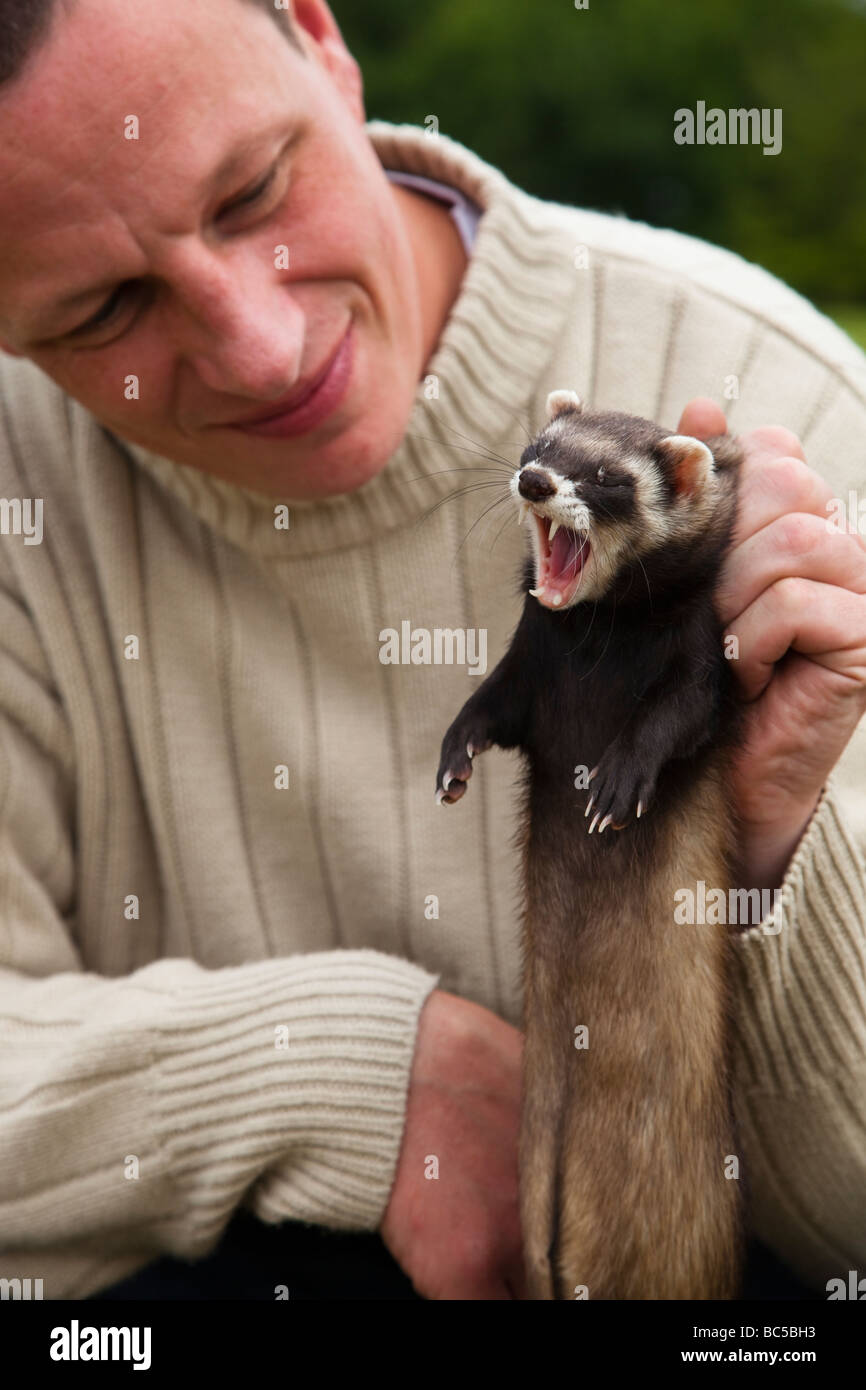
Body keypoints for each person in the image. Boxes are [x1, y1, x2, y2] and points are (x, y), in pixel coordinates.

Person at [0, 0, 864, 1303]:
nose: (260, 345)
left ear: (319, 35)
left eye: (251, 192)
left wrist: (773, 855)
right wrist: (346, 1077)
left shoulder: (773, 391)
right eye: (106, 310)